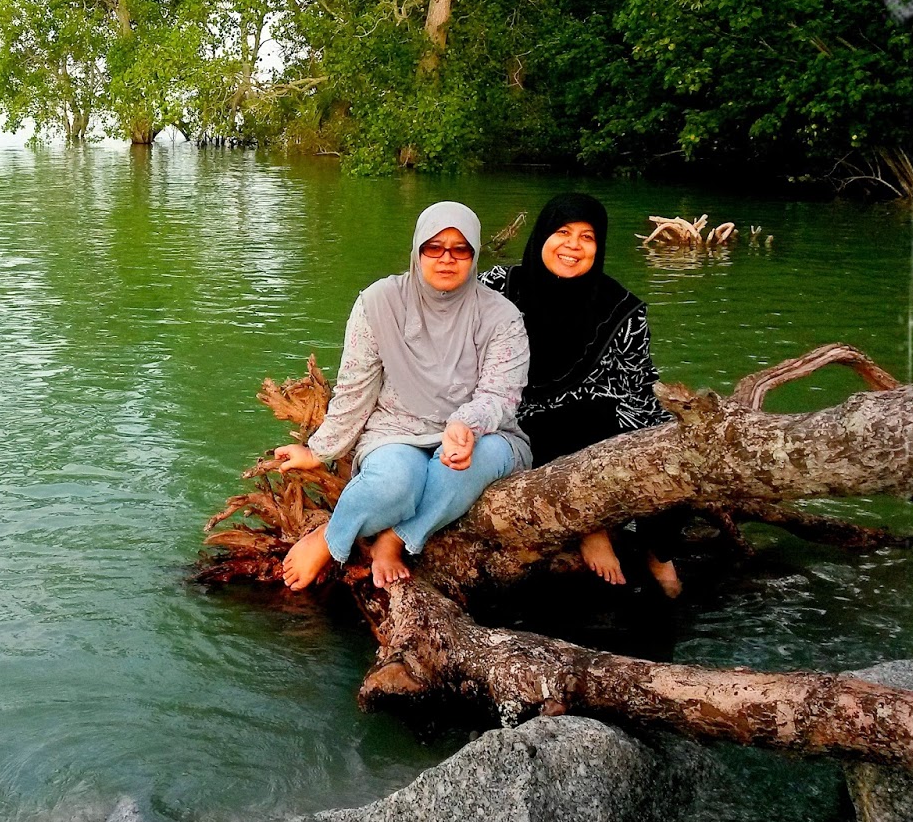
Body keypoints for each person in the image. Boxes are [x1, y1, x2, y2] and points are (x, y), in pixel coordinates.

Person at [274, 201, 531, 590]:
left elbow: (500, 394)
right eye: (435, 247)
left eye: (460, 249)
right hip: (396, 427)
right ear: (417, 250)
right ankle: (333, 535)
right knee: (393, 484)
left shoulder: (503, 316)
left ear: (475, 254)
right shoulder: (378, 303)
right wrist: (318, 450)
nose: (447, 259)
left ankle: (387, 541)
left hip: (482, 434)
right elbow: (355, 388)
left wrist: (466, 424)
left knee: (461, 469)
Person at [479, 192, 682, 598]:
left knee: (667, 444)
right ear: (541, 237)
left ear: (599, 246)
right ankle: (591, 528)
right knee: (571, 422)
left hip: (602, 422)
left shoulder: (623, 310)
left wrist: (656, 445)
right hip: (513, 418)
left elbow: (637, 387)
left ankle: (658, 551)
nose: (573, 245)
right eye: (563, 232)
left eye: (587, 237)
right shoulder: (497, 288)